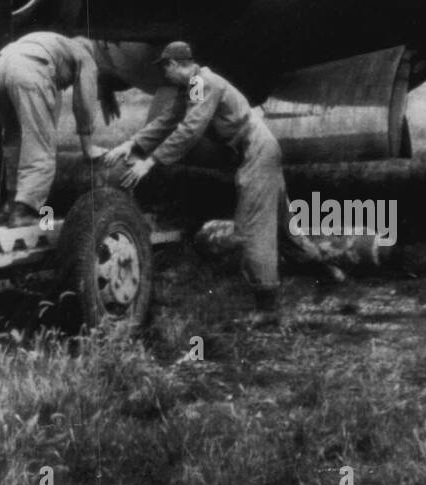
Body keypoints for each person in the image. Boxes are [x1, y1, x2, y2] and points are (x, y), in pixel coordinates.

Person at [104, 41, 339, 317]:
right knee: (283, 226)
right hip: (257, 149)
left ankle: (268, 307)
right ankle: (325, 270)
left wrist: (151, 162)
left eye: (166, 68)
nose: (165, 75)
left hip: (257, 149)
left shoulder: (206, 83)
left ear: (177, 65)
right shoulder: (191, 86)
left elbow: (190, 129)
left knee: (254, 223)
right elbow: (168, 120)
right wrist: (131, 145)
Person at [0, 31, 105, 227]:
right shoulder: (85, 55)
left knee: (15, 137)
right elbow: (85, 100)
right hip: (28, 70)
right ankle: (25, 211)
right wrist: (88, 147)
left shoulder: (54, 44)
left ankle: (11, 201)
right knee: (41, 142)